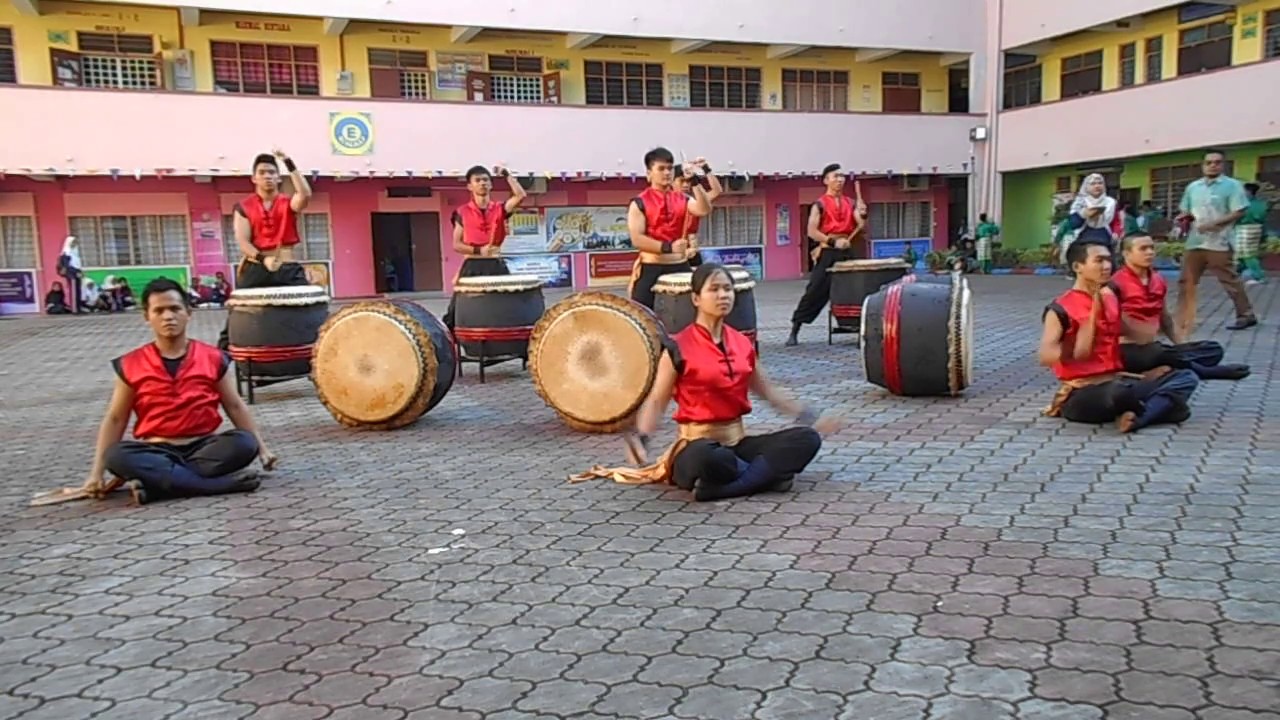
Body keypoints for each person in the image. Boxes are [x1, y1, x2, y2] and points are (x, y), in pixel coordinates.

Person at [572, 263, 836, 501]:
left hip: (737, 444)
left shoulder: (743, 344)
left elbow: (769, 393)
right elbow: (656, 400)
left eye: (728, 289)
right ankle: (766, 477)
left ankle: (725, 487)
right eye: (714, 289)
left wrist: (810, 417)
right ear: (696, 298)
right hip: (695, 448)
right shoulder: (678, 347)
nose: (723, 295)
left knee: (806, 439)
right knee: (709, 457)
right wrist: (642, 438)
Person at [80, 278, 278, 506]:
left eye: (175, 309)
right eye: (159, 311)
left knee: (244, 443)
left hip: (204, 449)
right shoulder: (131, 363)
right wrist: (96, 473)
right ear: (147, 316)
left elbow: (234, 405)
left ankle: (159, 486)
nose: (168, 317)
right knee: (116, 455)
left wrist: (262, 449)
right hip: (156, 450)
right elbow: (116, 418)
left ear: (188, 313)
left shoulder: (213, 358)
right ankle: (217, 485)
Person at [1039, 240, 1199, 433]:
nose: (1107, 266)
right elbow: (1045, 356)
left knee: (1185, 376)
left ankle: (1139, 416)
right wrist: (1080, 340)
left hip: (1118, 379)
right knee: (1122, 393)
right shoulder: (1061, 308)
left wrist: (1153, 364)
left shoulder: (1111, 298)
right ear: (1077, 267)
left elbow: (1135, 335)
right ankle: (1156, 408)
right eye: (1099, 260)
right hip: (1083, 393)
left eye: (1109, 260)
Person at [1109, 233, 1249, 381]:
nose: (1149, 252)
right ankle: (1206, 372)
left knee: (1212, 349)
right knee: (1160, 353)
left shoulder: (1157, 279)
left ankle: (1169, 366)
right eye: (1143, 249)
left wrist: (1182, 346)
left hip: (1154, 347)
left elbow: (1165, 319)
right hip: (1126, 349)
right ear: (1126, 254)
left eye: (1151, 248)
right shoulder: (1115, 283)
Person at [217, 149, 313, 349]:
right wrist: (264, 260)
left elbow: (305, 194)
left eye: (271, 172)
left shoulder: (288, 203)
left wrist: (288, 162)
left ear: (278, 177)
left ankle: (312, 354)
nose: (267, 176)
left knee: (309, 306)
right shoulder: (243, 207)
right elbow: (243, 242)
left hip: (286, 266)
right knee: (238, 311)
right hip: (256, 265)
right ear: (254, 178)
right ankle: (222, 357)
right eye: (262, 172)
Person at [1175, 149, 1258, 333]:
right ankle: (1182, 318)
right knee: (1186, 280)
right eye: (1209, 162)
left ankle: (1246, 315)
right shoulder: (1193, 187)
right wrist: (1182, 219)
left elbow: (1239, 211)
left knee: (1229, 280)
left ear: (1223, 165)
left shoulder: (1233, 186)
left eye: (1217, 162)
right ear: (1203, 165)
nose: (1213, 165)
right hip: (1195, 241)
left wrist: (1214, 224)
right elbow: (1186, 210)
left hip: (1220, 241)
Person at [785, 163, 865, 346]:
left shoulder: (851, 202)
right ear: (826, 180)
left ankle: (857, 329)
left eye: (841, 176)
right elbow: (811, 232)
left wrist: (863, 214)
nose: (840, 179)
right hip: (828, 250)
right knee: (815, 290)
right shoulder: (819, 204)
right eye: (835, 176)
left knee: (855, 289)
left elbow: (860, 223)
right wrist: (832, 242)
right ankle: (795, 330)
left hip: (847, 249)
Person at [442, 164, 528, 331]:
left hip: (495, 263)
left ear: (491, 184)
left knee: (508, 306)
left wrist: (506, 174)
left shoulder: (500, 208)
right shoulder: (461, 212)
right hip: (472, 265)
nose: (482, 183)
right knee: (457, 311)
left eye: (486, 180)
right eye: (478, 180)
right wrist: (479, 250)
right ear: (470, 186)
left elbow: (520, 195)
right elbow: (456, 244)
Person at [627, 147, 712, 309]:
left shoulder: (683, 199)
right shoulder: (639, 202)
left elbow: (704, 209)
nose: (667, 172)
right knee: (642, 315)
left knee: (691, 312)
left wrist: (695, 181)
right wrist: (668, 247)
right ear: (649, 173)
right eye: (661, 169)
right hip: (651, 268)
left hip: (680, 265)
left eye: (670, 168)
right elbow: (637, 239)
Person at [673, 159, 723, 268]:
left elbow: (716, 191)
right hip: (672, 253)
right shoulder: (663, 201)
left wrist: (705, 169)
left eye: (688, 181)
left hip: (692, 251)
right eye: (682, 181)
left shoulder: (694, 201)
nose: (686, 185)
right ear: (672, 182)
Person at [1060, 174, 1118, 263]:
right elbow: (1073, 224)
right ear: (1086, 186)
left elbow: (1116, 221)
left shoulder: (1110, 202)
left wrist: (1116, 233)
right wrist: (1083, 214)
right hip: (1084, 238)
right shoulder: (1080, 202)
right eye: (1093, 183)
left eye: (1100, 183)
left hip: (1104, 238)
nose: (1097, 186)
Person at [1236, 182, 1268, 285]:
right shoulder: (1261, 204)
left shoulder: (1245, 205)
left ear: (1249, 192)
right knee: (1241, 253)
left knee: (1248, 254)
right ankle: (1241, 273)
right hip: (1255, 229)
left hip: (1246, 229)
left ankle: (1259, 276)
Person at [57, 236, 85, 314]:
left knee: (78, 290)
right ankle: (74, 309)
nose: (74, 244)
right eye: (73, 242)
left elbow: (78, 265)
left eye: (75, 242)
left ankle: (78, 308)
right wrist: (75, 272)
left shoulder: (75, 253)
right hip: (71, 274)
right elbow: (67, 266)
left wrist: (80, 272)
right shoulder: (66, 253)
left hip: (77, 273)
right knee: (74, 291)